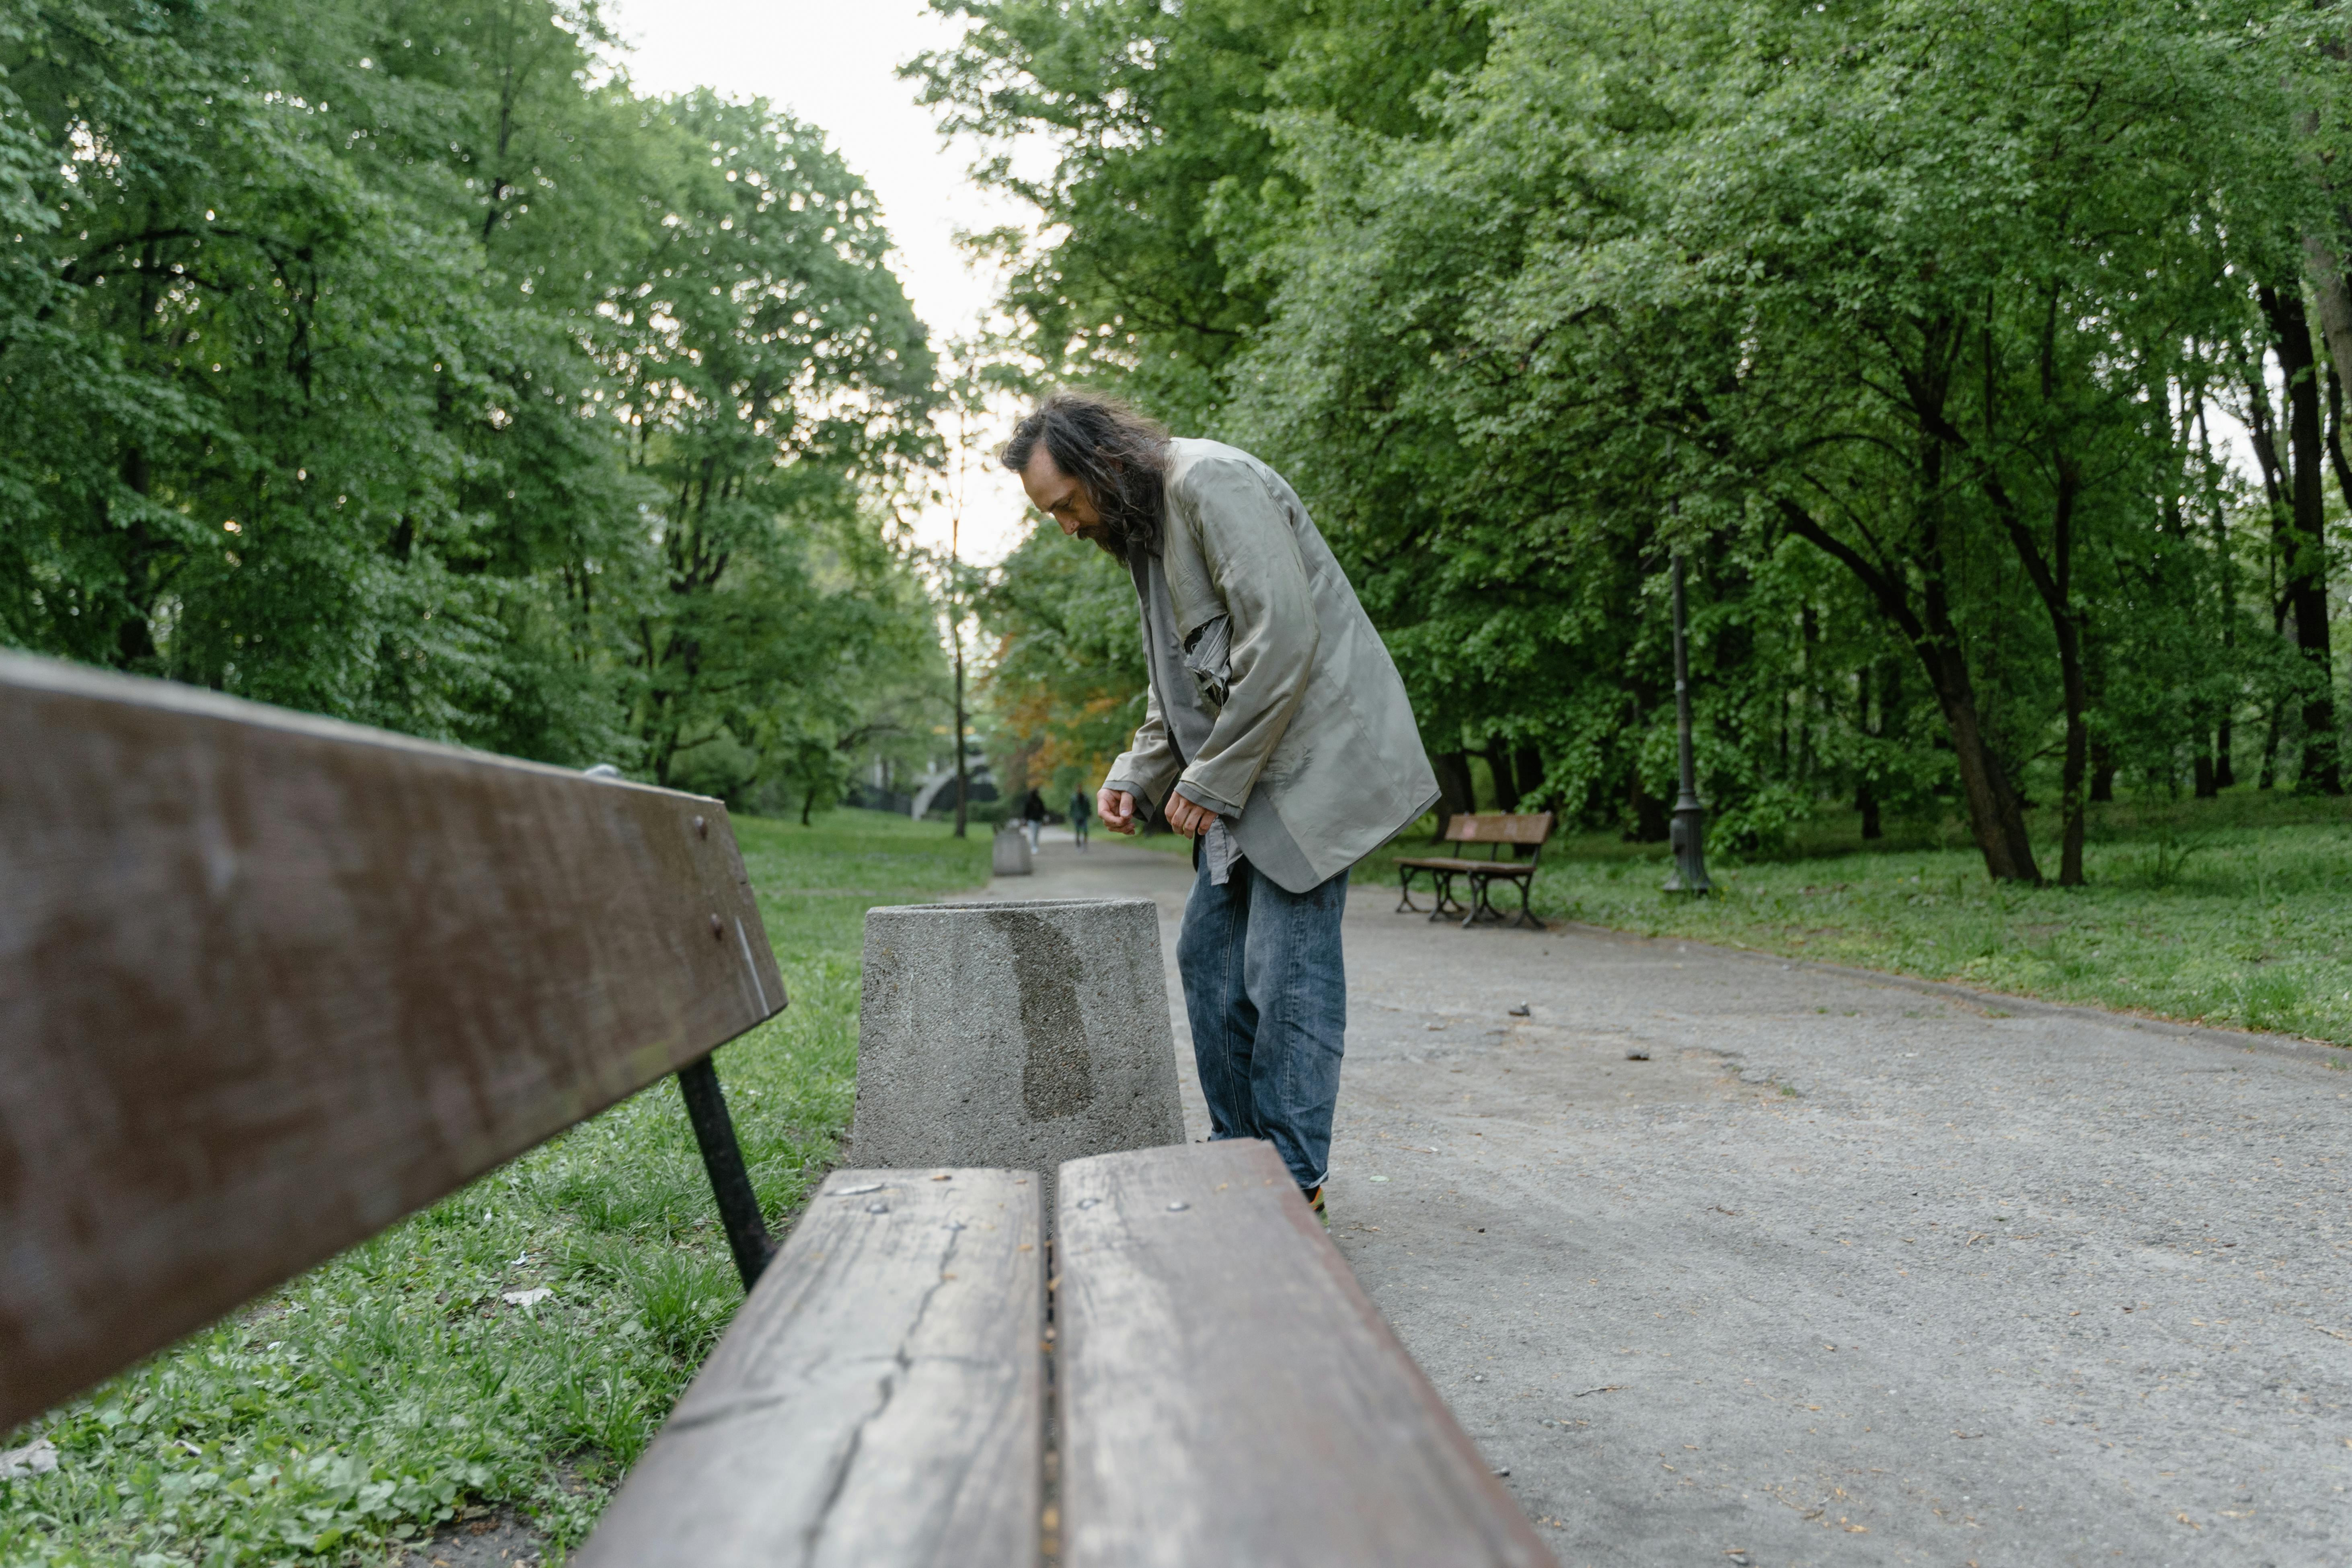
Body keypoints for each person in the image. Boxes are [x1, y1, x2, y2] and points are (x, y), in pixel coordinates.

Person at [1004, 390, 1436, 1224]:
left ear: (1101, 465)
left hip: (1309, 769)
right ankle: (1239, 1156)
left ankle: (1292, 1177)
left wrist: (1206, 781)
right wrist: (1138, 768)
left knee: (1288, 970)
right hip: (1245, 778)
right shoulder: (1144, 527)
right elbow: (1179, 677)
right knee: (1208, 959)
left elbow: (1281, 641)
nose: (1065, 525)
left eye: (1065, 505)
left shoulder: (1212, 482)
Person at [1021, 787, 1047, 852]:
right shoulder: (1029, 802)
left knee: (1037, 834)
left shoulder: (1040, 801)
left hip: (1038, 820)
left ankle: (1036, 845)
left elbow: (1043, 810)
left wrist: (1045, 816)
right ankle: (1033, 846)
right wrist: (1025, 819)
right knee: (1034, 833)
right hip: (1032, 820)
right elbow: (1026, 811)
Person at [1068, 786, 1091, 851]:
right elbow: (1072, 808)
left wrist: (1089, 814)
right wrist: (1071, 816)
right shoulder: (1074, 798)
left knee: (1085, 830)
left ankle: (1085, 843)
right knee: (1077, 830)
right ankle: (1078, 844)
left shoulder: (1086, 798)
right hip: (1077, 817)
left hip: (1084, 816)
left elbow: (1088, 807)